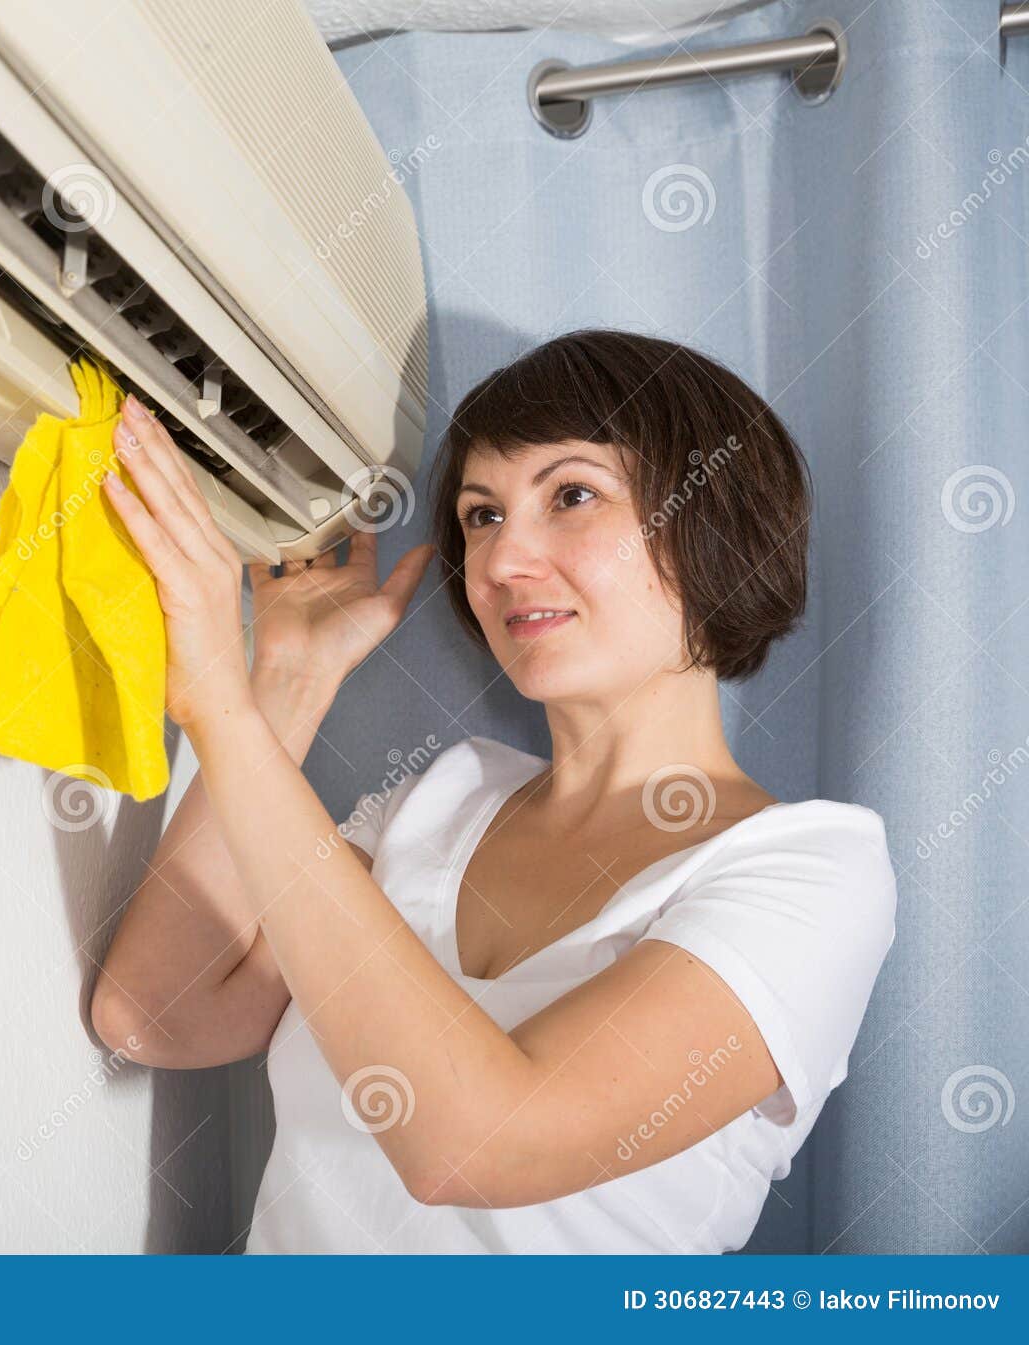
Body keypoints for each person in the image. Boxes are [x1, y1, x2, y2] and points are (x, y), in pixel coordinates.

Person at [90, 328, 898, 1254]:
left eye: (572, 495)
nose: (503, 560)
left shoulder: (813, 872)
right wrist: (285, 680)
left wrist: (219, 709)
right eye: (482, 515)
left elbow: (478, 1146)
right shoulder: (437, 799)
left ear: (714, 521)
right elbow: (156, 1014)